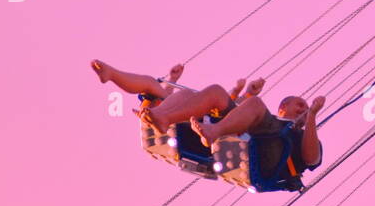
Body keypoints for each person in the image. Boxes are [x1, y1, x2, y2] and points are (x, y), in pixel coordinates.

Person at [90, 60, 325, 179]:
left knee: (252, 105)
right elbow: (241, 110)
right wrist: (244, 94)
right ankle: (158, 115)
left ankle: (209, 131)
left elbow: (311, 158)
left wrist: (312, 117)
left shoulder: (297, 135)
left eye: (306, 108)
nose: (304, 109)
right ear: (282, 107)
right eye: (300, 105)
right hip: (246, 134)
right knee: (205, 92)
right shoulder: (263, 117)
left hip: (270, 154)